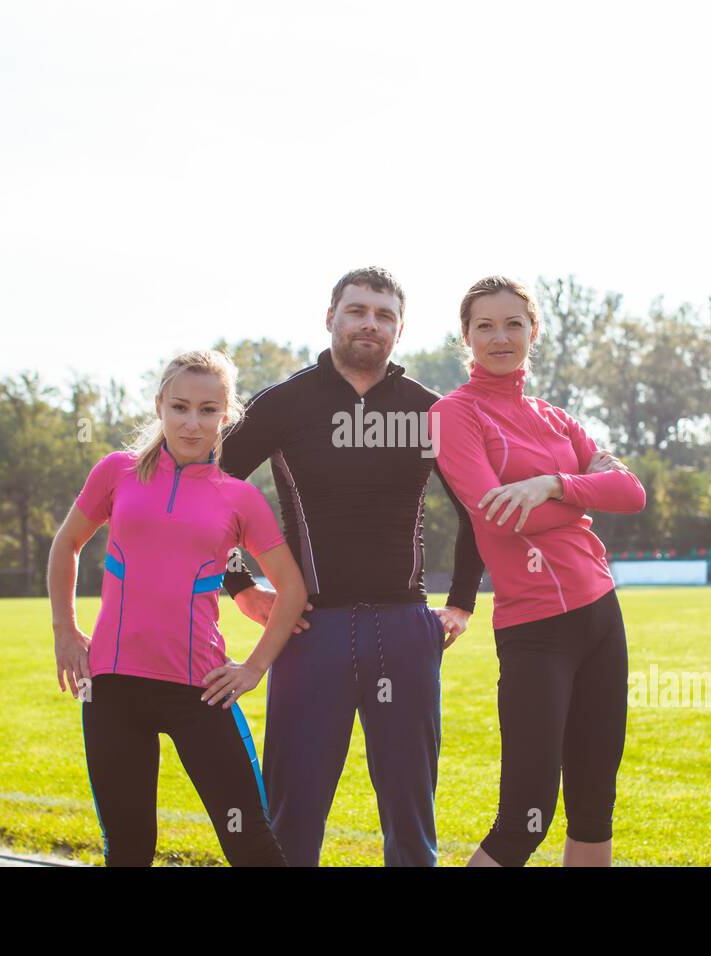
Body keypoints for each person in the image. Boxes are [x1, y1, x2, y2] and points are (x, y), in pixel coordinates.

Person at [217, 266, 486, 867]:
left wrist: (463, 601)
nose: (371, 324)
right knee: (293, 815)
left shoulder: (427, 411)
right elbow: (214, 489)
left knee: (412, 821)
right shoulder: (285, 403)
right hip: (312, 631)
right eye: (358, 311)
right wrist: (239, 585)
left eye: (384, 315)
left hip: (405, 628)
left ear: (399, 329)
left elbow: (475, 508)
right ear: (331, 318)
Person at [47, 349, 307, 867]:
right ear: (160, 405)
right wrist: (66, 632)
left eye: (208, 410)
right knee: (128, 848)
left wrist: (253, 669)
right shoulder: (116, 472)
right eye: (181, 407)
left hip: (200, 690)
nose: (192, 422)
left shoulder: (238, 498)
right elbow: (66, 544)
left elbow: (292, 590)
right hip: (113, 687)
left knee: (250, 843)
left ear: (226, 415)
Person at [430, 275, 646, 867]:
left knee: (595, 802)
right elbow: (497, 518)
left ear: (533, 332)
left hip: (602, 617)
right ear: (467, 337)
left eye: (513, 324)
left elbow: (630, 492)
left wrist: (549, 484)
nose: (500, 337)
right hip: (537, 632)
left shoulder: (555, 418)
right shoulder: (454, 416)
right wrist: (583, 497)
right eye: (485, 326)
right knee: (526, 818)